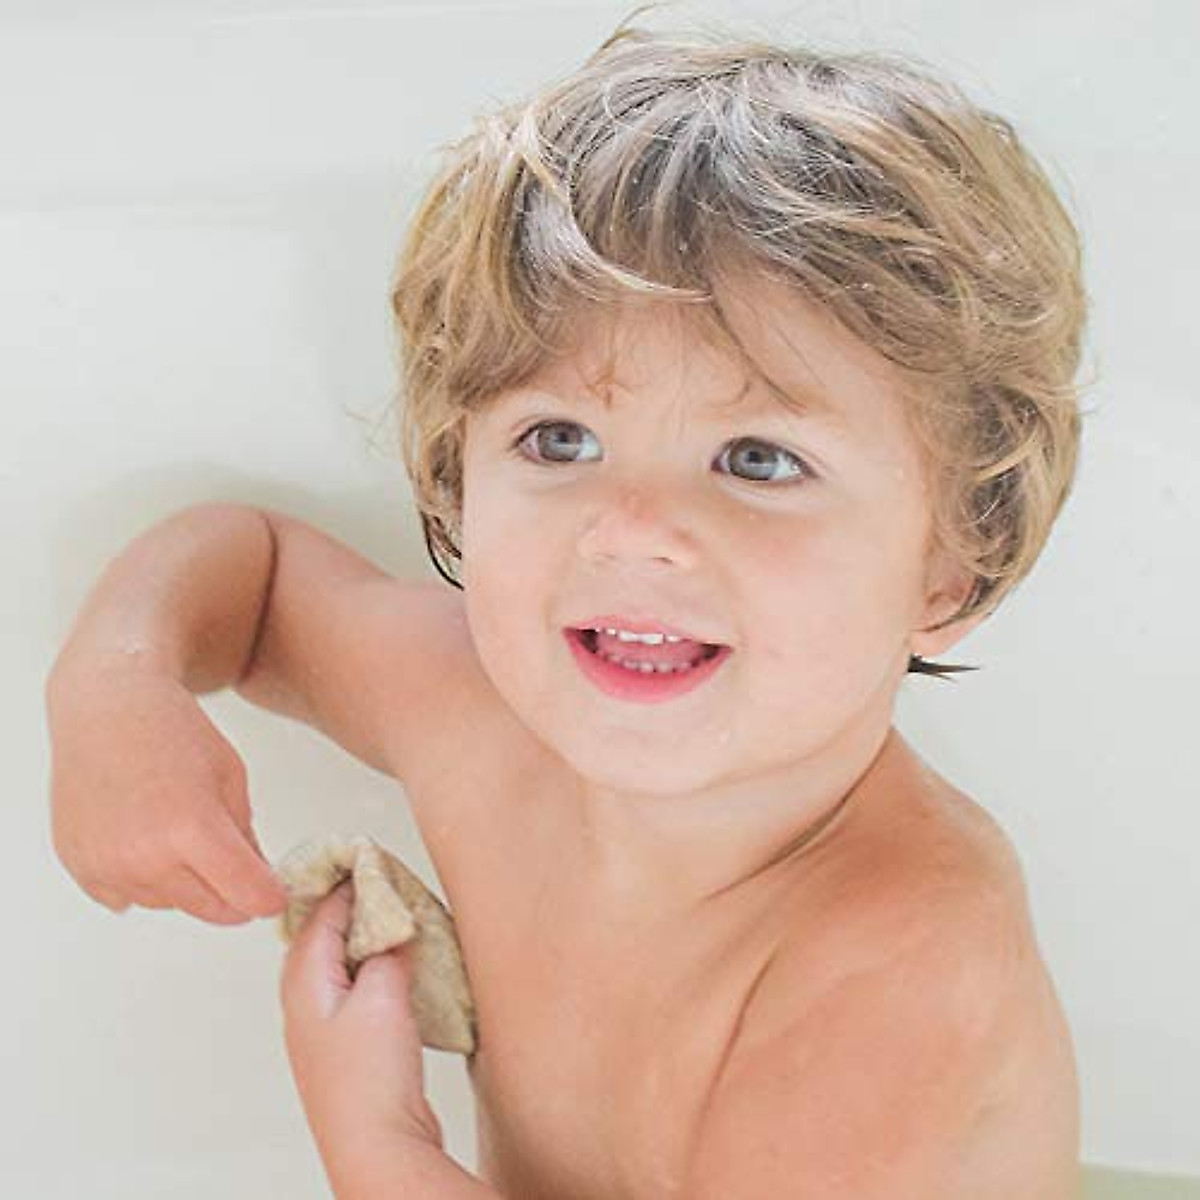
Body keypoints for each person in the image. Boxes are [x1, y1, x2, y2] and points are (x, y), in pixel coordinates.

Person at [43, 10, 1090, 1199]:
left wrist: (376, 1135)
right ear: (459, 471)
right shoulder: (479, 717)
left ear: (950, 574)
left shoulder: (901, 957)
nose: (630, 526)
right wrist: (116, 684)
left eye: (757, 460)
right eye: (561, 439)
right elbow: (260, 575)